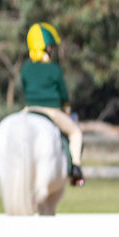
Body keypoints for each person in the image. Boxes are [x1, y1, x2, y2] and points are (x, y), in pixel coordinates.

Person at [21, 22, 85, 185]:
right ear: (46, 48)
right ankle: (76, 168)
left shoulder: (25, 69)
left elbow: (26, 89)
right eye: (50, 47)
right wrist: (67, 108)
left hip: (29, 109)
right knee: (76, 133)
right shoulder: (54, 69)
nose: (52, 50)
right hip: (52, 112)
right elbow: (64, 95)